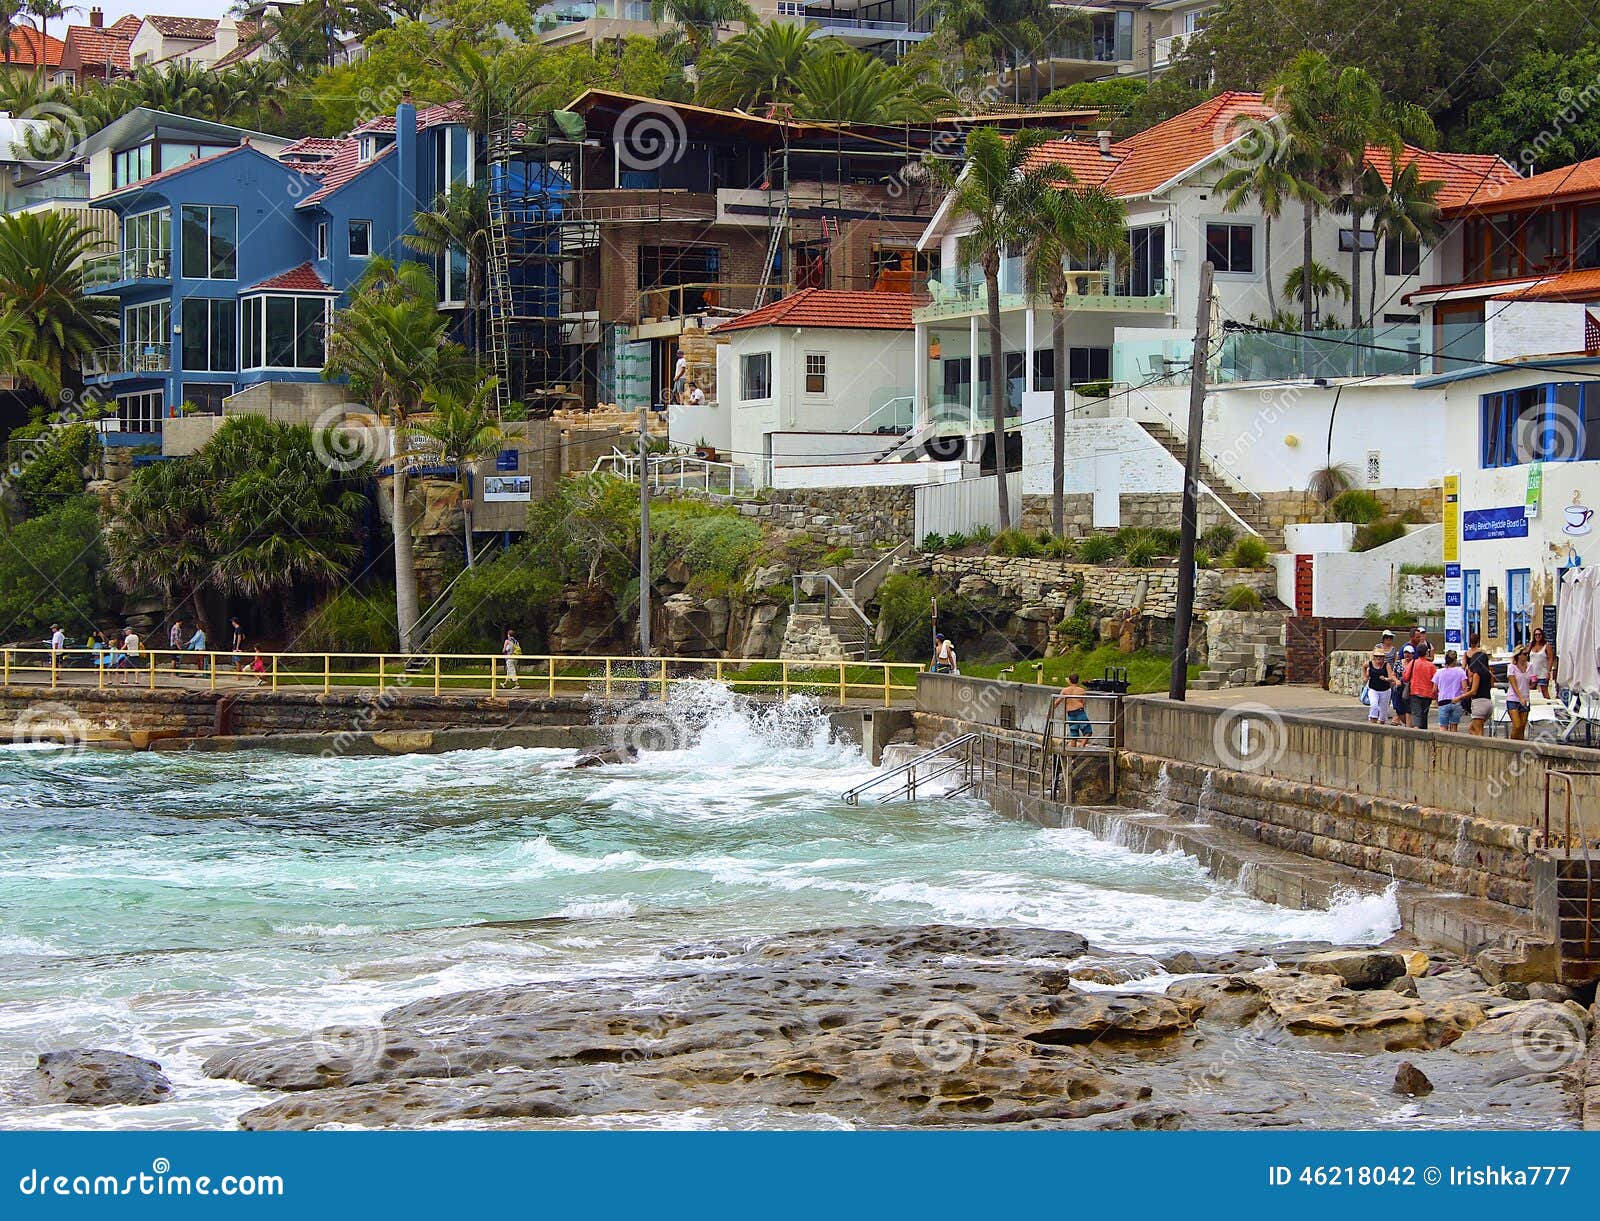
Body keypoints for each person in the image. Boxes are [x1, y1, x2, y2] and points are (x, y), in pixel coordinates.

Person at [1464, 641, 1496, 736]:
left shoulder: (1477, 674)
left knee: (1479, 733)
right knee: (1471, 728)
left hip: (1479, 704)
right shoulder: (1489, 674)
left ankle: (1484, 748)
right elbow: (1492, 686)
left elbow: (1474, 691)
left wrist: (1460, 697)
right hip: (1488, 703)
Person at [1054, 674, 1093, 745]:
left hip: (1070, 713)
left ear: (1069, 681)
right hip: (1080, 712)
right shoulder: (1081, 690)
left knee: (1074, 735)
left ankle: (1073, 753)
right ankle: (1082, 746)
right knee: (1088, 731)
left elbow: (1057, 702)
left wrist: (1051, 710)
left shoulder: (1065, 690)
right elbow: (1083, 702)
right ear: (1078, 681)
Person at [1406, 644, 1437, 730]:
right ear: (1426, 653)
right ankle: (1423, 730)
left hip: (1414, 691)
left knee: (1416, 713)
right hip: (1427, 693)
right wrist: (1435, 693)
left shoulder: (1413, 663)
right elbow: (1435, 680)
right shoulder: (1431, 666)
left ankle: (1416, 730)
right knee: (1424, 714)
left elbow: (1406, 676)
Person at [1434, 650, 1467, 731]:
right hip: (1456, 701)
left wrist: (1437, 697)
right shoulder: (1460, 672)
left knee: (1443, 727)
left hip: (1443, 701)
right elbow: (1465, 689)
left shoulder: (1439, 672)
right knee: (1454, 727)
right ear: (1455, 660)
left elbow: (1434, 689)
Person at [1506, 646, 1532, 741]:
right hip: (1513, 699)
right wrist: (1520, 697)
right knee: (1517, 725)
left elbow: (1530, 682)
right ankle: (1511, 744)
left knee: (1522, 727)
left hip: (1526, 698)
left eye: (1527, 654)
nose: (1526, 656)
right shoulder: (1511, 667)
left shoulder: (1530, 666)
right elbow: (1514, 685)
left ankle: (1520, 747)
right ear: (1518, 655)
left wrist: (1534, 682)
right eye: (1524, 654)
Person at [1364, 646, 1394, 725]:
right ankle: (1373, 724)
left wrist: (1385, 679)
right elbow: (1364, 666)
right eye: (1376, 656)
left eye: (1380, 656)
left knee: (1383, 712)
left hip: (1385, 691)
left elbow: (1391, 677)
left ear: (1383, 657)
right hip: (1373, 689)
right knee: (1374, 706)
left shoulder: (1386, 665)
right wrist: (1365, 676)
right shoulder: (1370, 664)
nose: (1378, 658)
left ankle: (1381, 725)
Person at [1527, 627, 1557, 697]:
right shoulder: (1531, 645)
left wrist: (1548, 672)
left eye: (1539, 634)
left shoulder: (1547, 646)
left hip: (1542, 673)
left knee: (1544, 691)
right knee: (1531, 690)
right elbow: (1526, 656)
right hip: (1533, 673)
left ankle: (1548, 705)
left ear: (1542, 635)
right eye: (1536, 635)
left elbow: (1550, 659)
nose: (1537, 636)